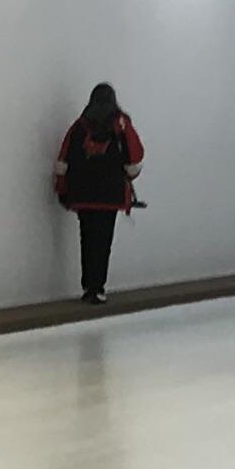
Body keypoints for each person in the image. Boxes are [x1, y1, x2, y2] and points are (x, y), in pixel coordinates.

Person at [53, 83, 144, 304]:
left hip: (82, 194)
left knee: (87, 238)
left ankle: (88, 287)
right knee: (103, 241)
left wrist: (62, 190)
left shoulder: (80, 126)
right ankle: (98, 287)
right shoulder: (121, 123)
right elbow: (134, 157)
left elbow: (62, 161)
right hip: (110, 195)